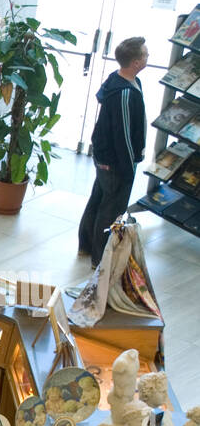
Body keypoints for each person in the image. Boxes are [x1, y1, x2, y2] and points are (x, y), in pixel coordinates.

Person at [78, 37, 148, 266]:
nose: (148, 58)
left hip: (106, 157)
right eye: (145, 55)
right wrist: (129, 167)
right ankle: (100, 259)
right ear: (136, 62)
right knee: (111, 209)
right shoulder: (125, 93)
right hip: (117, 162)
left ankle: (86, 245)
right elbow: (124, 134)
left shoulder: (120, 81)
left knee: (99, 199)